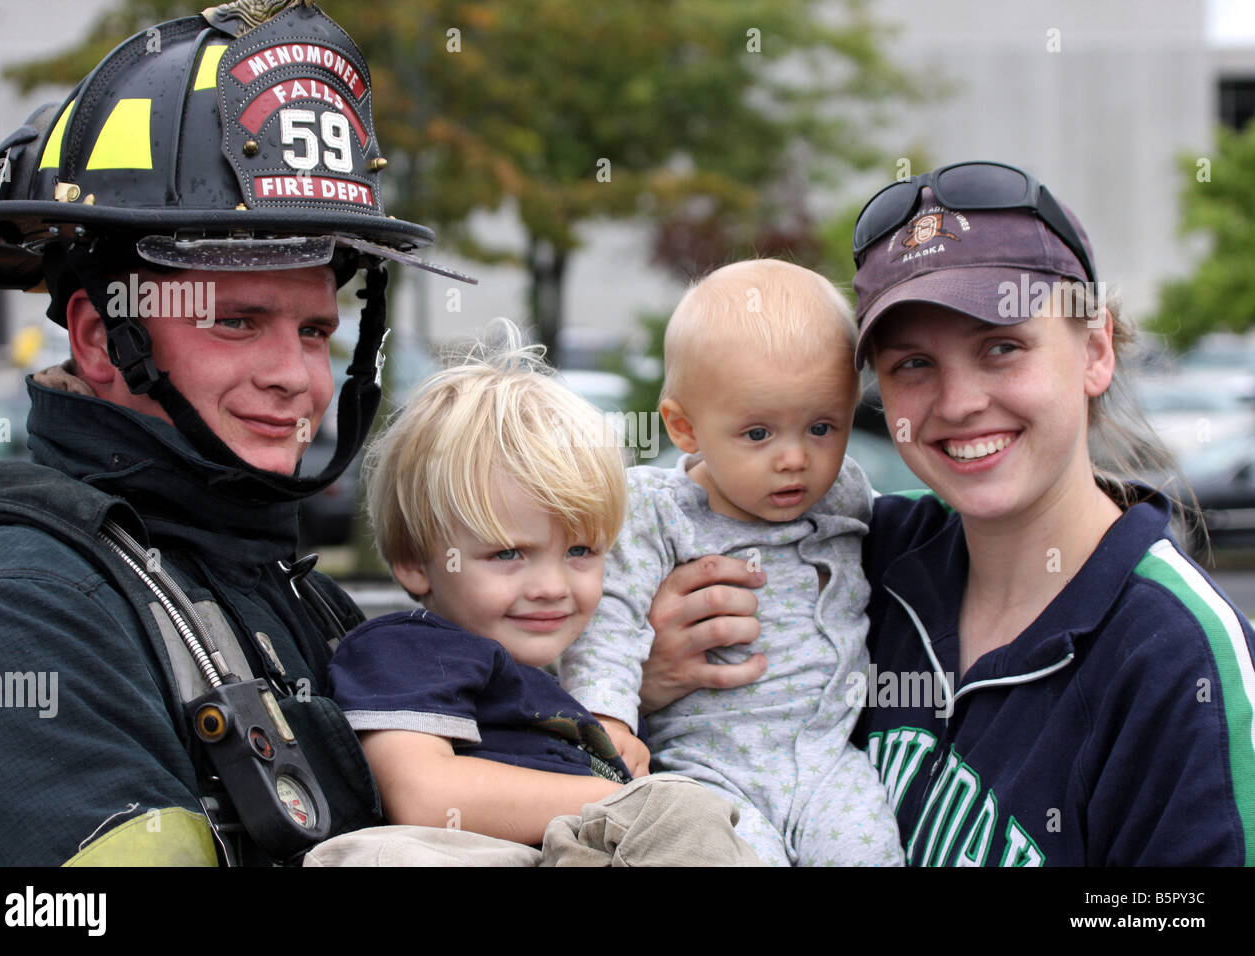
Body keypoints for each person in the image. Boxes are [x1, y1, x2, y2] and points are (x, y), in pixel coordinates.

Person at [0, 1, 465, 865]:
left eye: (313, 331)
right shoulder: (25, 610)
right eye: (236, 322)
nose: (296, 377)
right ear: (98, 337)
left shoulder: (278, 583)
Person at [639, 161, 1255, 865]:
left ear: (1095, 349)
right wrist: (650, 685)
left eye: (1001, 346)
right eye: (912, 365)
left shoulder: (1177, 654)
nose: (958, 402)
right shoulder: (847, 556)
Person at [310, 334, 761, 865]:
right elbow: (425, 795)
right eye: (508, 554)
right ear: (414, 562)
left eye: (580, 550)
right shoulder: (406, 651)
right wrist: (627, 801)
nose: (552, 586)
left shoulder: (563, 687)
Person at [557, 259, 902, 866]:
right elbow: (612, 619)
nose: (795, 458)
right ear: (685, 428)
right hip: (705, 766)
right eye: (758, 434)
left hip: (827, 760)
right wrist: (607, 720)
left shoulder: (846, 491)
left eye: (822, 427)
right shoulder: (658, 513)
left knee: (869, 850)